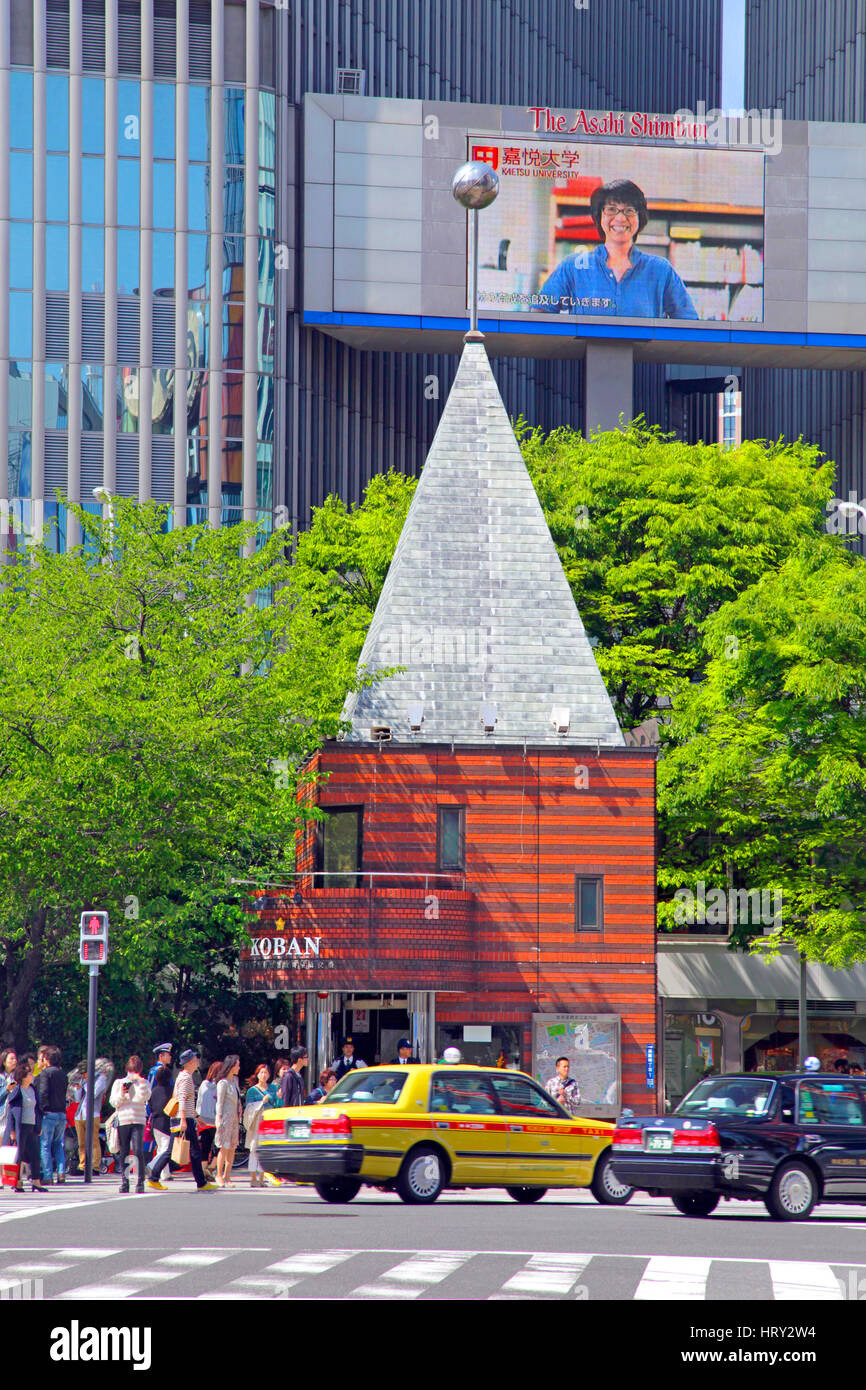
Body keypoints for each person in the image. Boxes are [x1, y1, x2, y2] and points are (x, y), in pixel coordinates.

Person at [539, 178, 699, 321]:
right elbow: (539, 314)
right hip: (585, 355)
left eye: (629, 210)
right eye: (611, 209)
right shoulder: (573, 266)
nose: (621, 218)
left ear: (640, 218)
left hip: (643, 356)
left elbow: (690, 326)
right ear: (599, 216)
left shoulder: (660, 270)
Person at [147, 1049, 215, 1192]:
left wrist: (196, 1117)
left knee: (190, 1151)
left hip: (182, 1118)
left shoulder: (183, 1076)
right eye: (196, 1059)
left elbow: (185, 1100)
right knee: (188, 1151)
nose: (197, 1062)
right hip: (182, 1119)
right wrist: (184, 1119)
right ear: (189, 1062)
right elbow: (182, 1099)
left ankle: (200, 1182)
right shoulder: (186, 1077)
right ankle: (154, 1177)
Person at [2, 1061, 47, 1192]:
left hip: (32, 1125)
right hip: (20, 1126)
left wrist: (39, 1125)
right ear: (23, 1077)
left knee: (35, 1153)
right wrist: (11, 1130)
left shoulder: (32, 1089)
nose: (32, 1076)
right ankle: (17, 1182)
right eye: (29, 1074)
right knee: (19, 1155)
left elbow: (38, 1108)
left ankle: (36, 1181)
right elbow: (11, 1110)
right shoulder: (17, 1090)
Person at [109, 1055, 150, 1194]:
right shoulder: (119, 1082)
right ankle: (125, 1181)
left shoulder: (143, 1083)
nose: (132, 1074)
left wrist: (141, 1082)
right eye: (131, 1070)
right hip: (124, 1119)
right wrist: (122, 1093)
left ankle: (140, 1181)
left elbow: (143, 1097)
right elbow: (114, 1102)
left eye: (135, 1071)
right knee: (124, 1151)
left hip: (138, 1120)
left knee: (138, 1150)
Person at [73, 1057, 113, 1176]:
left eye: (84, 1073)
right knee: (81, 1142)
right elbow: (78, 1098)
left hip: (92, 1113)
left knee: (93, 1141)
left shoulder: (100, 1079)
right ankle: (82, 1165)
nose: (83, 1075)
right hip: (80, 1113)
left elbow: (93, 1094)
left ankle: (95, 1166)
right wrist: (77, 1090)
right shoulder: (83, 1080)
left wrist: (84, 1085)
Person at [243, 1064, 278, 1186]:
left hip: (269, 1120)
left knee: (265, 1149)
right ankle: (253, 1179)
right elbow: (248, 1107)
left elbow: (276, 1103)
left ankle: (262, 1178)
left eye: (266, 1073)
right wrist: (261, 1102)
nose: (263, 1075)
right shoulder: (252, 1091)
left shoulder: (272, 1088)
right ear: (257, 1074)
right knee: (254, 1149)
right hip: (256, 1120)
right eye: (261, 1072)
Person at [36, 1045, 67, 1185]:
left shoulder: (45, 1073)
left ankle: (48, 1175)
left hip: (49, 1113)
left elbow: (43, 1092)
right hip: (62, 1113)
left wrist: (42, 1109)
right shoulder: (63, 1074)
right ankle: (61, 1173)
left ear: (47, 1059)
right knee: (58, 1144)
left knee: (45, 1144)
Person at [145, 1061, 174, 1189]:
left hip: (155, 1123)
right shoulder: (171, 1090)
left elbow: (150, 1107)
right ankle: (151, 1165)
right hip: (166, 1122)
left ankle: (165, 1174)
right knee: (166, 1149)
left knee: (162, 1147)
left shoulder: (154, 1091)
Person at [214, 1055, 242, 1188]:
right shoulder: (223, 1083)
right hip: (225, 1117)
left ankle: (227, 1176)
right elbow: (219, 1102)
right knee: (223, 1147)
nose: (239, 1067)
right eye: (237, 1064)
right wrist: (218, 1118)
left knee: (232, 1147)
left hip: (235, 1118)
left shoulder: (234, 1081)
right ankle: (218, 1174)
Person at [196, 1061, 221, 1178]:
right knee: (218, 1147)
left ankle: (203, 1170)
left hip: (203, 1120)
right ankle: (211, 1168)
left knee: (205, 1147)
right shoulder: (221, 1085)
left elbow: (199, 1102)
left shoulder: (203, 1084)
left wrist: (197, 1116)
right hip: (216, 1120)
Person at [0, 1048, 19, 1132]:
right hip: (2, 1114)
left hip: (13, 1115)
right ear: (4, 1062)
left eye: (15, 1058)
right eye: (11, 1058)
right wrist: (6, 1089)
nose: (14, 1061)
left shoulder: (17, 1077)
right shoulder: (1, 1078)